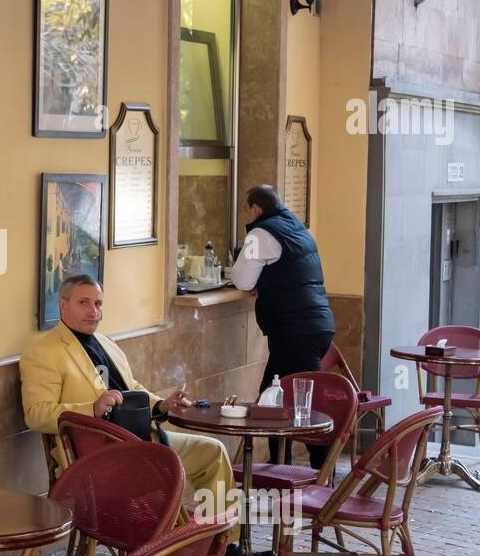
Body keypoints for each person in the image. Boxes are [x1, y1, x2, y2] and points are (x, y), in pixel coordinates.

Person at [19, 274, 236, 526]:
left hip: (141, 440)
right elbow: (36, 414)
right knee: (169, 481)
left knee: (214, 452)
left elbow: (132, 389)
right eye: (83, 303)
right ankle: (171, 546)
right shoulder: (43, 351)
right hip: (97, 457)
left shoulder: (107, 343)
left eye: (98, 304)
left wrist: (161, 404)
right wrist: (92, 408)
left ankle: (224, 546)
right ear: (63, 304)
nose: (93, 311)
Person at [232, 185, 336, 469]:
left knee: (304, 405)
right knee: (274, 398)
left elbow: (242, 280)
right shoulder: (297, 227)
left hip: (294, 330)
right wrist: (265, 281)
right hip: (316, 325)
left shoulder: (260, 233)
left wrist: (258, 281)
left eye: (247, 209)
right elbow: (289, 272)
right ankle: (280, 467)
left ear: (256, 208)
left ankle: (322, 473)